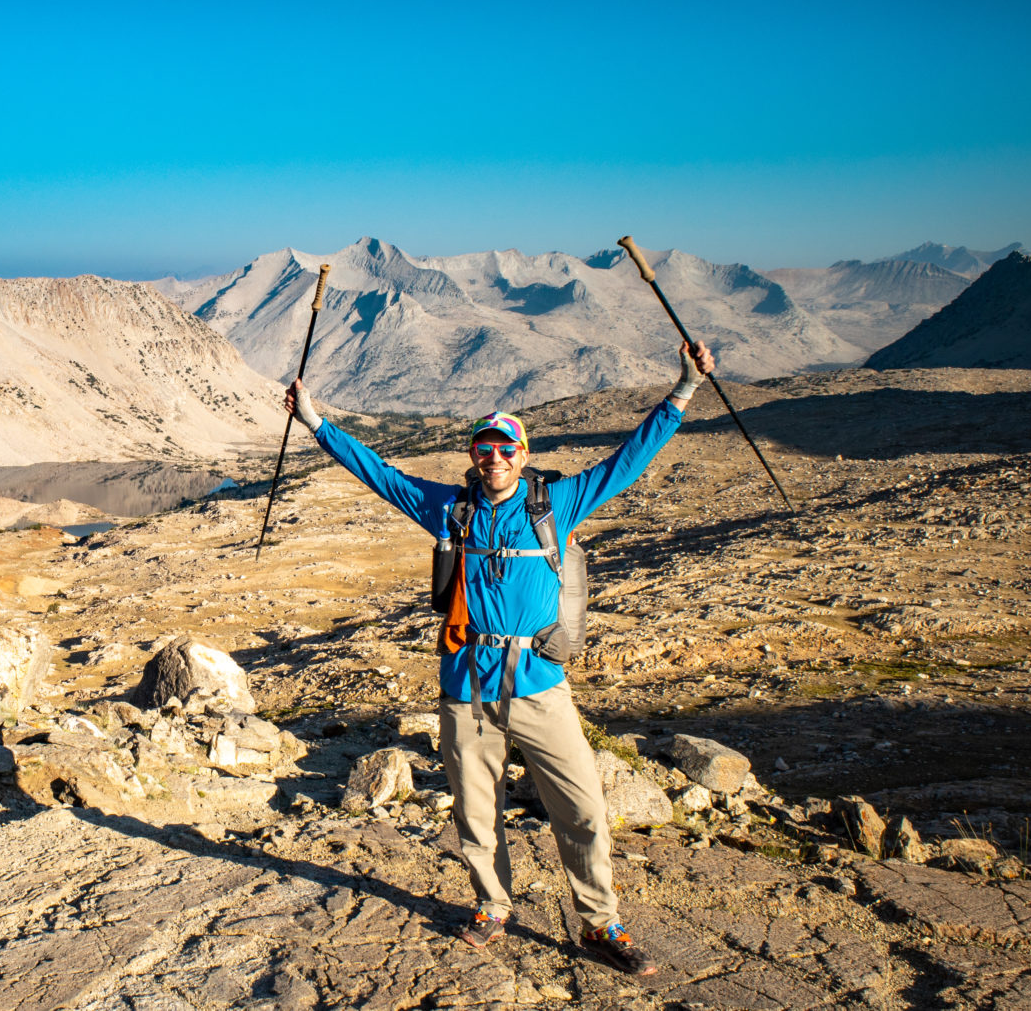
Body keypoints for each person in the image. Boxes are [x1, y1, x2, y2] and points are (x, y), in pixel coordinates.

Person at [283, 340, 716, 977]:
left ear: (524, 453)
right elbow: (378, 473)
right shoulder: (448, 508)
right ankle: (493, 904)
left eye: (505, 447)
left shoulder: (556, 504)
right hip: (467, 683)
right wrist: (316, 421)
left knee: (583, 805)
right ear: (472, 457)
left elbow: (629, 459)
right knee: (473, 807)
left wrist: (683, 389)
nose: (494, 458)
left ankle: (600, 924)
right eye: (482, 449)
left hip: (541, 683)